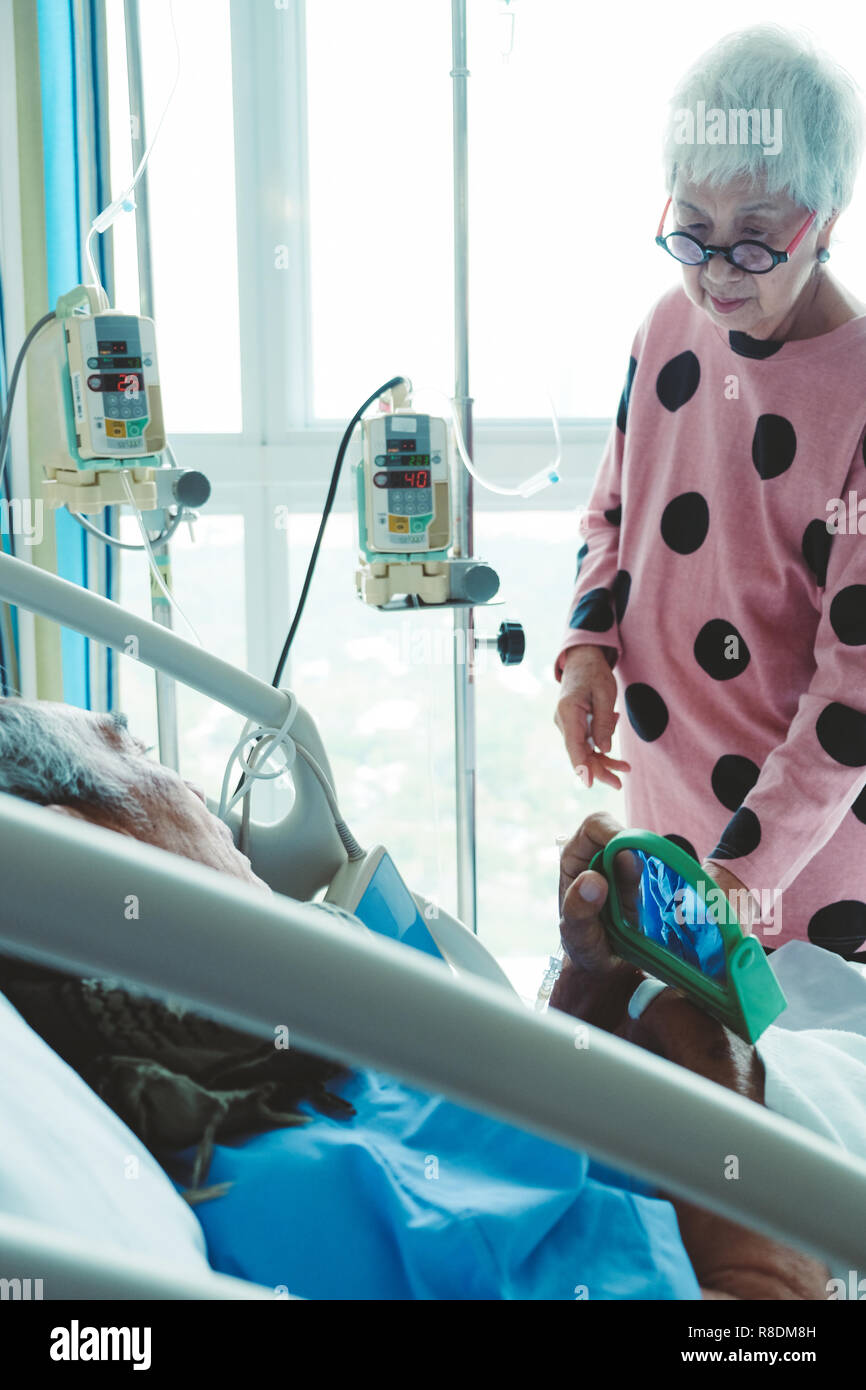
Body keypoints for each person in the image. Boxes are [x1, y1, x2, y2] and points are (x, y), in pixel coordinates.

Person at [0, 697, 833, 1299]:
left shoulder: (282, 1059)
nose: (198, 796)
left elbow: (532, 1167)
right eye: (139, 753)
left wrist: (590, 992)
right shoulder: (310, 1186)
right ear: (75, 845)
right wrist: (725, 1065)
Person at [554, 25, 866, 959]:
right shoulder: (666, 327)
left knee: (785, 1095)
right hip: (672, 826)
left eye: (756, 238)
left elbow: (855, 694)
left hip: (804, 881)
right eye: (691, 227)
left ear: (827, 221)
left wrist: (735, 884)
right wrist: (585, 652)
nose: (717, 270)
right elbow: (612, 511)